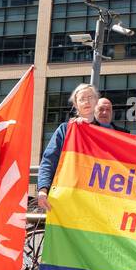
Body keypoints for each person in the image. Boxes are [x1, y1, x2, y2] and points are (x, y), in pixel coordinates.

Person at [37, 83, 101, 212]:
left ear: (96, 101)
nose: (87, 101)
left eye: (90, 97)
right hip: (66, 195)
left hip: (95, 199)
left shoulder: (105, 133)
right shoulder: (65, 130)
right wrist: (43, 190)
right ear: (76, 105)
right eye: (82, 99)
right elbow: (49, 160)